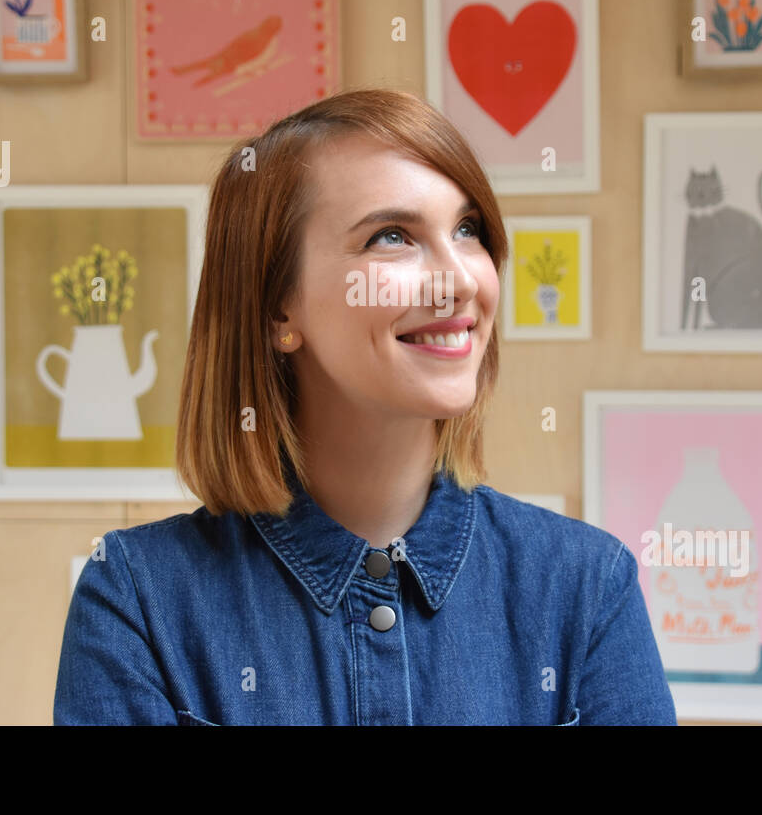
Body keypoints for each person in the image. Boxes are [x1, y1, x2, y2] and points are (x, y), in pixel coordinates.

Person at [53, 88, 676, 725]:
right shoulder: (137, 600)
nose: (459, 279)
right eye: (391, 237)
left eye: (468, 230)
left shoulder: (588, 588)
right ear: (277, 309)